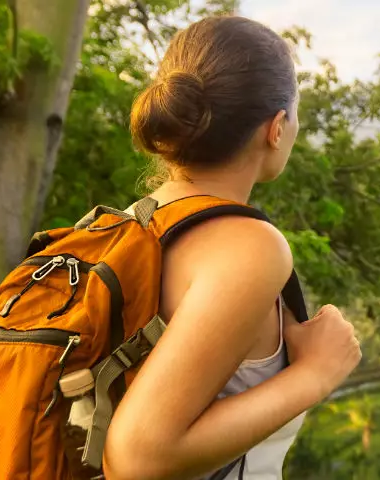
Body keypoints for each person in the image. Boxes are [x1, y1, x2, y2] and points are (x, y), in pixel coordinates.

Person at [100, 15, 362, 480]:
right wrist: (317, 372)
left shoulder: (123, 226)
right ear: (276, 127)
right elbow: (138, 459)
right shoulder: (248, 247)